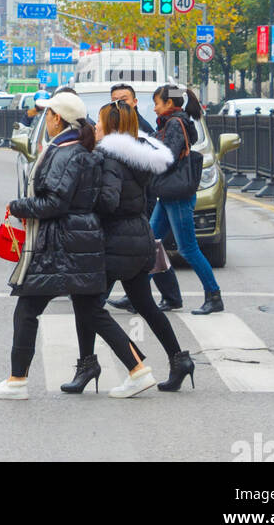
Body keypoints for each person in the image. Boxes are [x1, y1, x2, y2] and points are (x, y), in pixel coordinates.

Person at [0, 92, 155, 399]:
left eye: (47, 115)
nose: (45, 121)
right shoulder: (80, 150)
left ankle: (16, 381)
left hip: (62, 243)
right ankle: (138, 370)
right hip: (79, 240)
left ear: (57, 118)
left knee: (27, 310)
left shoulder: (65, 152)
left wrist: (20, 206)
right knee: (91, 311)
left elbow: (56, 202)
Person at [84, 100, 195, 394]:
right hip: (139, 236)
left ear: (111, 127)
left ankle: (130, 368)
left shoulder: (110, 158)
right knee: (145, 305)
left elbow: (108, 201)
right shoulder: (138, 157)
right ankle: (179, 360)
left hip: (116, 242)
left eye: (99, 121)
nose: (95, 126)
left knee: (90, 306)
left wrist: (87, 202)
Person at [106, 82, 184, 316]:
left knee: (172, 246)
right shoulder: (122, 124)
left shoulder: (141, 128)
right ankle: (168, 296)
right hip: (144, 197)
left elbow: (155, 163)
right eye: (115, 100)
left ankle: (109, 297)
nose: (120, 104)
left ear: (134, 102)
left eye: (124, 99)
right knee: (153, 244)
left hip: (147, 197)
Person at [148, 84, 223, 315]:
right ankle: (147, 295)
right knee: (150, 243)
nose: (154, 108)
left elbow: (167, 157)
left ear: (169, 104)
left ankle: (214, 295)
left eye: (157, 103)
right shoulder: (173, 122)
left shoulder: (174, 124)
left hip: (177, 195)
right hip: (169, 194)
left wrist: (147, 149)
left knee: (188, 249)